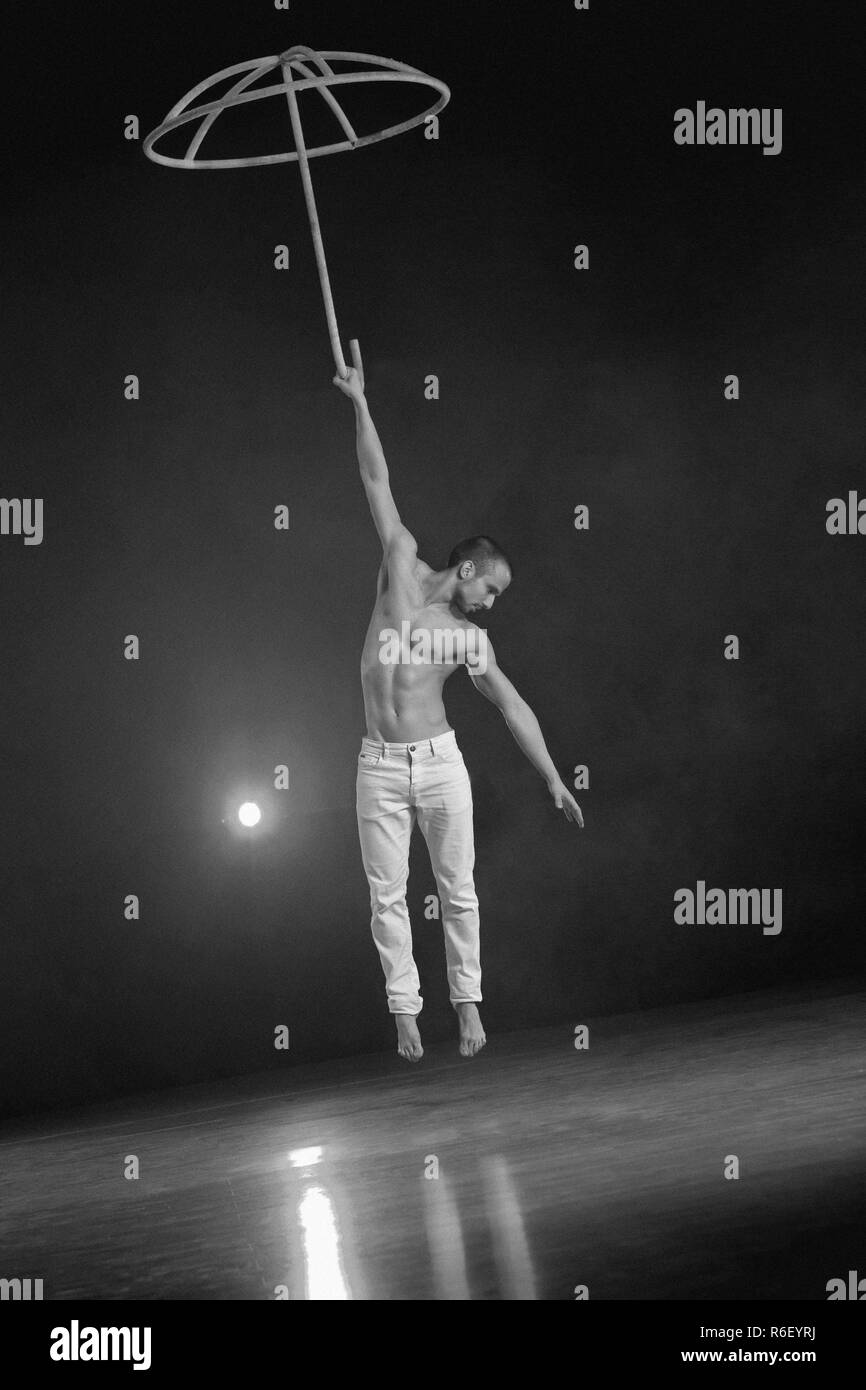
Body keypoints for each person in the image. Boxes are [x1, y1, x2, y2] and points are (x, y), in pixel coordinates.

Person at [334, 365, 583, 1062]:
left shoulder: (469, 639)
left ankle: (467, 1003)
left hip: (440, 764)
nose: (493, 602)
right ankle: (405, 1010)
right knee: (386, 893)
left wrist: (553, 776)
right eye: (493, 588)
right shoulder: (403, 566)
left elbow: (511, 705)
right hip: (379, 764)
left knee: (457, 888)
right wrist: (360, 400)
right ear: (468, 569)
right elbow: (375, 481)